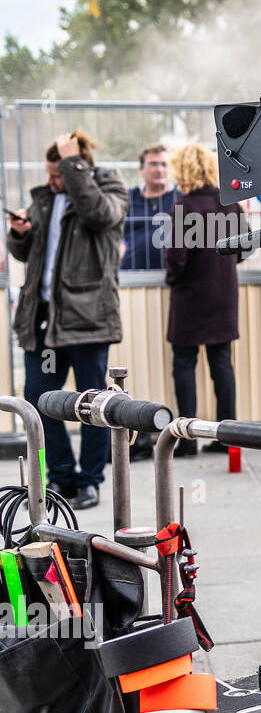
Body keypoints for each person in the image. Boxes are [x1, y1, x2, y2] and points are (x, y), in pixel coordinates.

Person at [5, 131, 126, 509]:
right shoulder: (46, 199)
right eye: (49, 173)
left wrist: (73, 167)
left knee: (90, 405)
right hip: (44, 323)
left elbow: (97, 214)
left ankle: (90, 482)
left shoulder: (108, 187)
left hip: (87, 320)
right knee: (39, 400)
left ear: (77, 164)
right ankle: (60, 479)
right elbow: (31, 254)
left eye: (57, 172)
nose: (52, 180)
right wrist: (20, 234)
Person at [165, 144, 240, 457]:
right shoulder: (229, 203)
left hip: (190, 299)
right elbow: (243, 248)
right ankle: (227, 435)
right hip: (223, 296)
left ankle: (187, 437)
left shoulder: (184, 206)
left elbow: (176, 259)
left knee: (184, 364)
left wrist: (172, 279)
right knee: (221, 364)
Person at [121, 143, 179, 271]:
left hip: (173, 277)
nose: (159, 169)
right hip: (132, 278)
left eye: (164, 164)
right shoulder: (127, 198)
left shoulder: (181, 197)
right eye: (153, 164)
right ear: (141, 169)